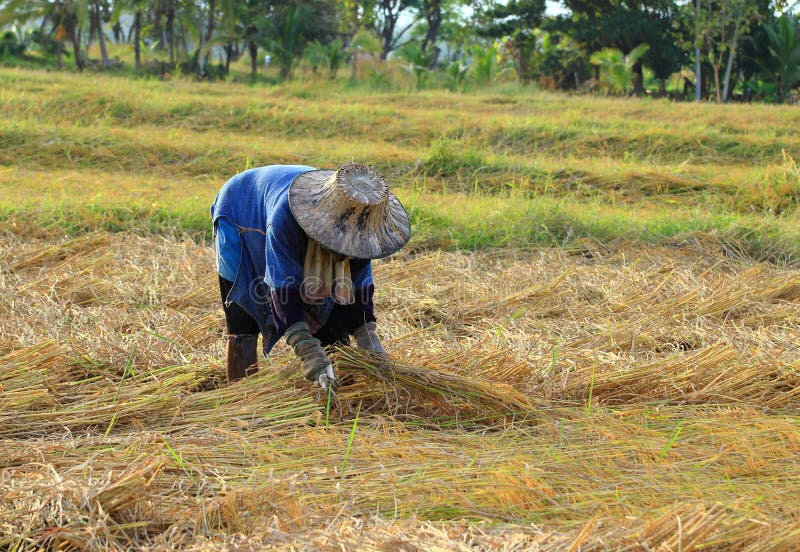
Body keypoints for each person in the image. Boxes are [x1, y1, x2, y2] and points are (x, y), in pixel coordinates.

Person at [210, 163, 411, 390]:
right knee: (243, 318)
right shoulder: (285, 219)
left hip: (286, 205)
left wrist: (369, 340)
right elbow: (283, 288)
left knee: (333, 313)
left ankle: (339, 390)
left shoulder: (362, 229)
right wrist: (307, 351)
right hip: (241, 213)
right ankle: (240, 395)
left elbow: (358, 291)